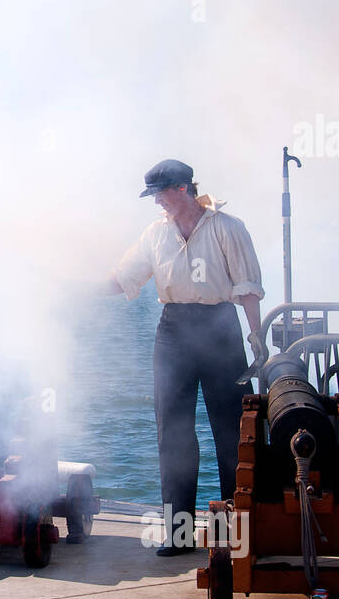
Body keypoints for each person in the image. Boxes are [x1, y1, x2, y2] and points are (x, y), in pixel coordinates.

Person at [108, 159, 267, 555]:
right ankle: (178, 536)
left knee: (231, 433)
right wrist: (75, 291)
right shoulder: (154, 233)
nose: (157, 202)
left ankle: (233, 535)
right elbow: (126, 278)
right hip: (174, 330)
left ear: (183, 189)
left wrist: (256, 337)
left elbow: (247, 287)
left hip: (219, 328)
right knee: (172, 434)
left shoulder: (228, 228)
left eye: (161, 193)